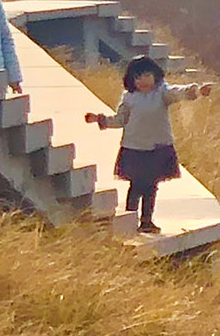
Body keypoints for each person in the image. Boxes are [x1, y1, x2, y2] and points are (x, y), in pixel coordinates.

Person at [85, 56, 213, 234]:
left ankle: (146, 221)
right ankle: (129, 218)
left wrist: (197, 91)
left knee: (151, 186)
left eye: (147, 76)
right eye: (138, 77)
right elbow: (120, 119)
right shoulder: (129, 98)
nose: (143, 81)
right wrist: (100, 119)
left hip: (158, 147)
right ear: (131, 80)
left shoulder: (162, 93)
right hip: (134, 148)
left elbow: (178, 92)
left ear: (155, 75)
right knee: (136, 185)